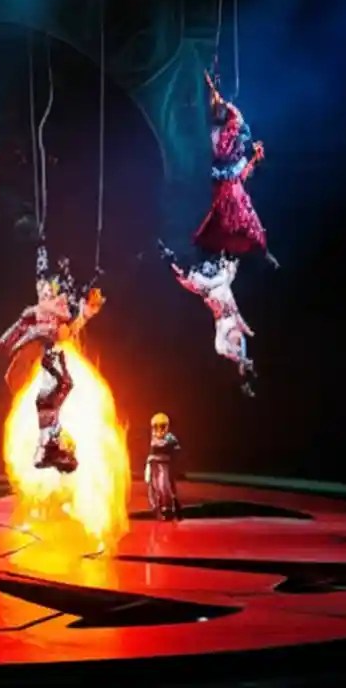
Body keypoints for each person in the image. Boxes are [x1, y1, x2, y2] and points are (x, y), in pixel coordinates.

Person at [0, 246, 104, 469]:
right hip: (46, 346)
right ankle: (46, 449)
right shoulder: (46, 311)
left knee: (56, 385)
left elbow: (68, 322)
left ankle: (47, 449)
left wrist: (85, 311)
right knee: (55, 386)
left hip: (50, 345)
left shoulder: (57, 312)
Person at [193, 72, 278, 268]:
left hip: (230, 175)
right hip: (222, 176)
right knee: (224, 216)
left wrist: (250, 155)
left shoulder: (232, 117)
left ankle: (260, 252)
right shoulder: (210, 117)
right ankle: (218, 252)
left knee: (241, 215)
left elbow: (241, 136)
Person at [161, 240, 257, 396]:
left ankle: (170, 257)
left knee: (190, 278)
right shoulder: (224, 280)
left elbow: (185, 279)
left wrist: (171, 262)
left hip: (210, 289)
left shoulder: (222, 343)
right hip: (215, 285)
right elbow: (238, 319)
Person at [146, 413, 182, 520]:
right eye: (156, 426)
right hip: (154, 465)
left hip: (165, 466)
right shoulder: (153, 438)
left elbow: (176, 450)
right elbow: (151, 453)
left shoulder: (170, 437)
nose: (158, 429)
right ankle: (158, 508)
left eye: (161, 426)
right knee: (155, 486)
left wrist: (172, 458)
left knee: (164, 486)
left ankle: (169, 508)